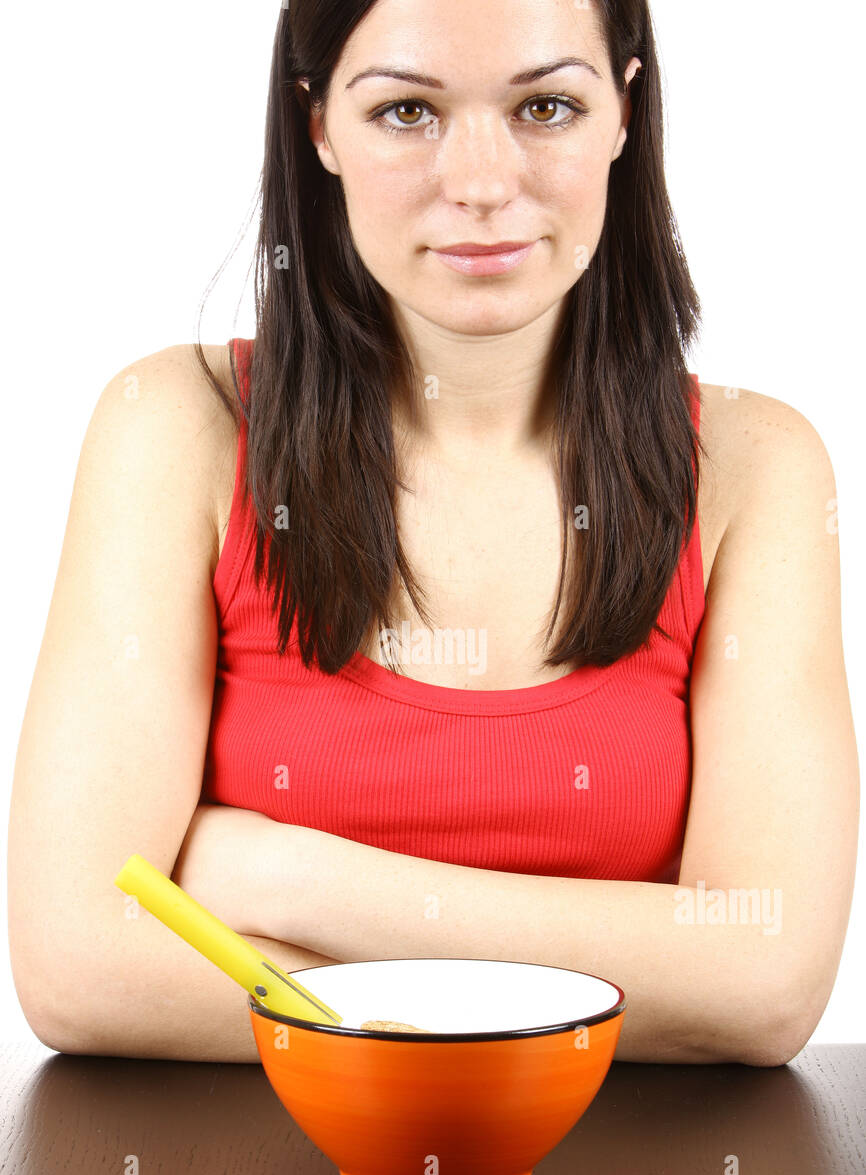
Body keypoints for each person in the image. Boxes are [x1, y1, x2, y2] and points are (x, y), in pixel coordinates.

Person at [8, 0, 858, 1067]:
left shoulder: (753, 465)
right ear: (317, 124)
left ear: (624, 113)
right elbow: (79, 967)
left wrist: (292, 877)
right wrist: (613, 981)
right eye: (406, 111)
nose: (480, 185)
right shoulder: (173, 427)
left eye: (545, 105)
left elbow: (762, 984)